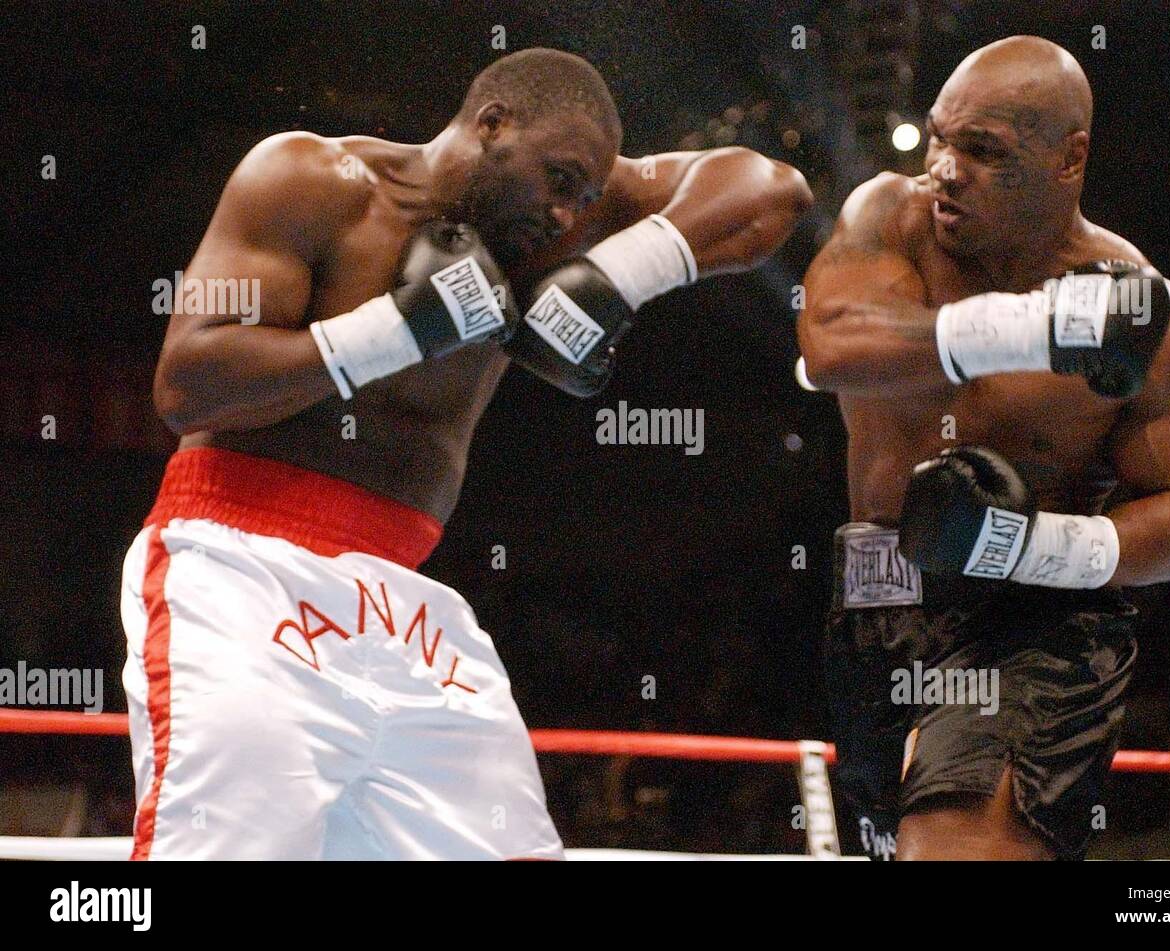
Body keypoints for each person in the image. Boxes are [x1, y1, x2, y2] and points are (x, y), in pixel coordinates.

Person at [122, 47, 812, 859]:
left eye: (585, 195)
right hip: (241, 564)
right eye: (558, 182)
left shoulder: (567, 219)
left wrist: (620, 273)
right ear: (492, 126)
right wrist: (396, 331)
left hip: (401, 597)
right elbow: (186, 386)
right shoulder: (310, 179)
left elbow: (773, 191)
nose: (567, 216)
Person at [798, 36, 1170, 860]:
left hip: (1035, 625)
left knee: (953, 847)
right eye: (940, 137)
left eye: (983, 151)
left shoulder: (1151, 318)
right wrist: (1046, 329)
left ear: (1071, 160)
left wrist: (1025, 548)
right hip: (875, 605)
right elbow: (831, 343)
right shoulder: (890, 217)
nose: (945, 168)